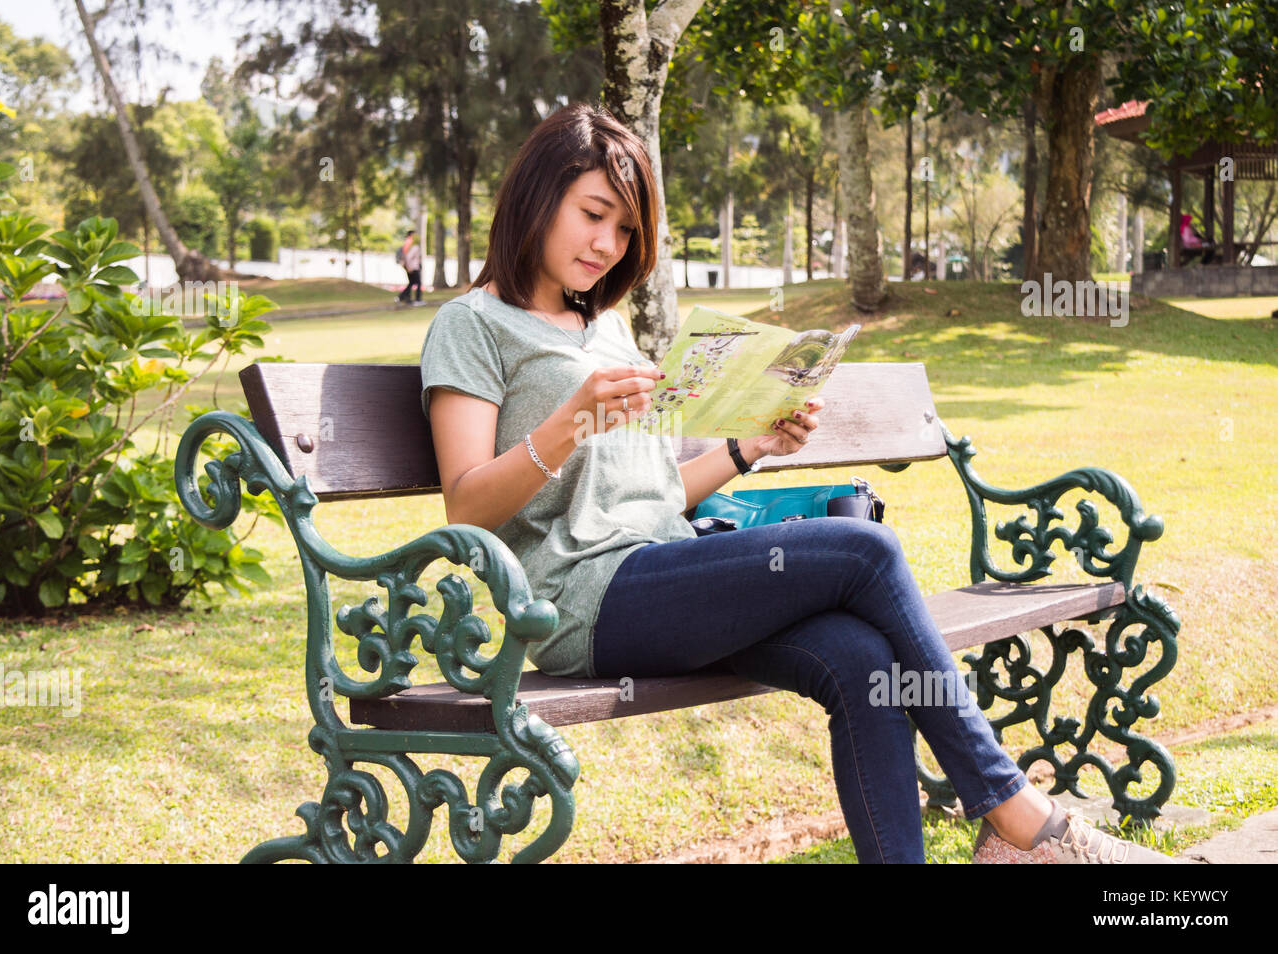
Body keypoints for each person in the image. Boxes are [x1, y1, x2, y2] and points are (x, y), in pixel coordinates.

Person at [418, 102, 1175, 865]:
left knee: (861, 661)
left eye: (624, 233)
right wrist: (567, 422)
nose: (608, 246)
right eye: (595, 215)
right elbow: (466, 507)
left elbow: (649, 501)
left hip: (662, 574)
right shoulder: (472, 326)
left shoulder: (605, 327)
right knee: (868, 551)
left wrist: (748, 449)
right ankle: (1016, 814)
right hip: (581, 603)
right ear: (538, 196)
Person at [397, 229, 423, 304]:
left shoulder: (408, 243)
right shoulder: (411, 244)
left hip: (409, 266)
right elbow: (408, 257)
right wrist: (409, 267)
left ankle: (402, 297)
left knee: (412, 283)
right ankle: (417, 299)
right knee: (417, 283)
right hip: (412, 267)